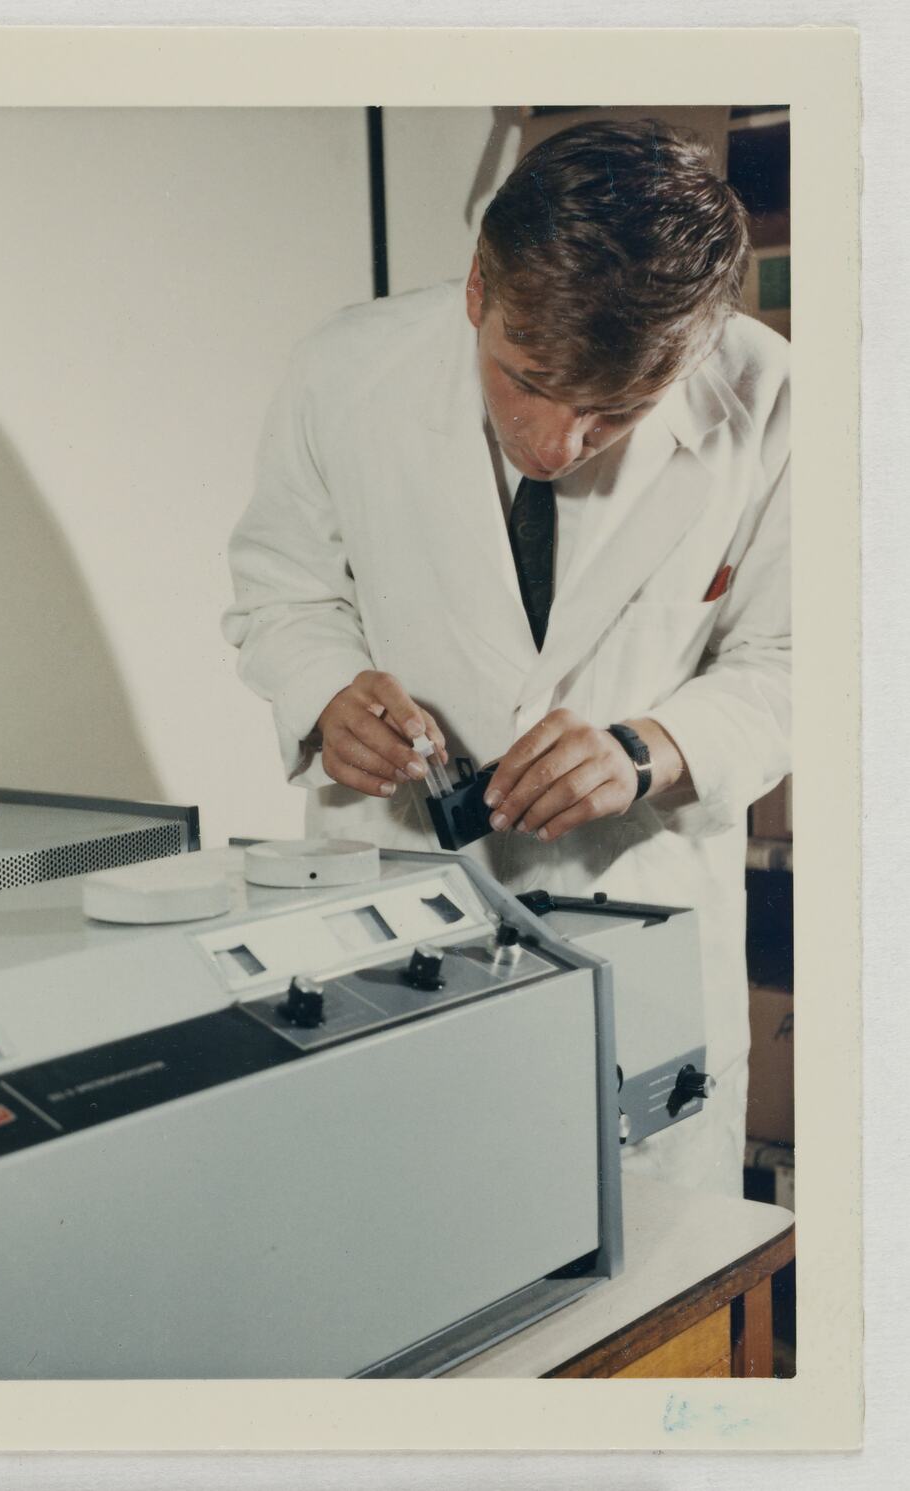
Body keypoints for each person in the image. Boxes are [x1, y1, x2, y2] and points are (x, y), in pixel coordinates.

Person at [222, 118, 790, 1196]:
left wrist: (652, 749)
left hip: (637, 911)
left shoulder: (771, 400)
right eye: (526, 380)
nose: (557, 446)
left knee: (644, 1292)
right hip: (389, 898)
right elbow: (283, 586)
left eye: (615, 411)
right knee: (401, 1239)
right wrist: (324, 693)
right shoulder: (343, 369)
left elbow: (801, 658)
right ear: (480, 287)